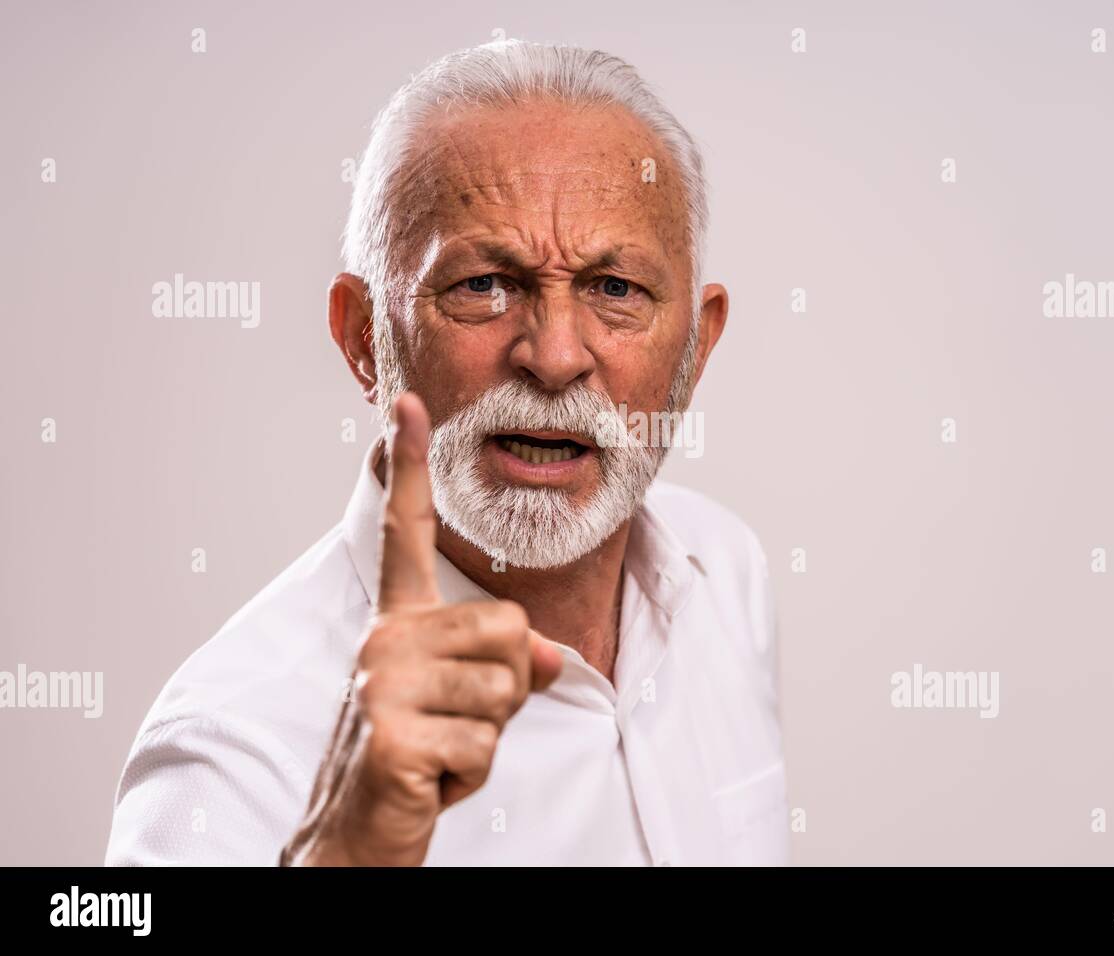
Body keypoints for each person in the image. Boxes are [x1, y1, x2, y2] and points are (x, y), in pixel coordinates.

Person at [106, 39, 787, 866]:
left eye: (616, 289)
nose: (556, 354)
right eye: (483, 286)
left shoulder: (727, 572)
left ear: (696, 349)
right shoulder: (232, 751)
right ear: (364, 339)